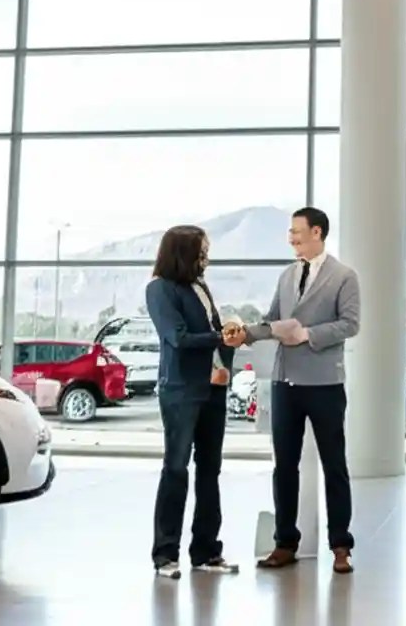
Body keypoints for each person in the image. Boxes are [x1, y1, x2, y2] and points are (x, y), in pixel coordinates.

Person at [225, 206, 361, 575]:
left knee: (335, 466)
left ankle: (341, 546)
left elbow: (350, 324)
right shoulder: (287, 275)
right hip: (285, 382)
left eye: (296, 231)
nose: (291, 237)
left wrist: (309, 335)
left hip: (324, 384)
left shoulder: (344, 276)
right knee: (284, 466)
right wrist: (244, 334)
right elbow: (272, 321)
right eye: (289, 232)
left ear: (317, 232)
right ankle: (285, 542)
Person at [145, 225, 239, 580]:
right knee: (176, 469)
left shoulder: (199, 286)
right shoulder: (159, 290)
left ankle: (206, 552)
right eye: (202, 249)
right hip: (181, 391)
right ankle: (165, 555)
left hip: (213, 389)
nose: (206, 256)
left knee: (210, 471)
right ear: (183, 252)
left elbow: (208, 337)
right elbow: (178, 338)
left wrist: (226, 339)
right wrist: (220, 335)